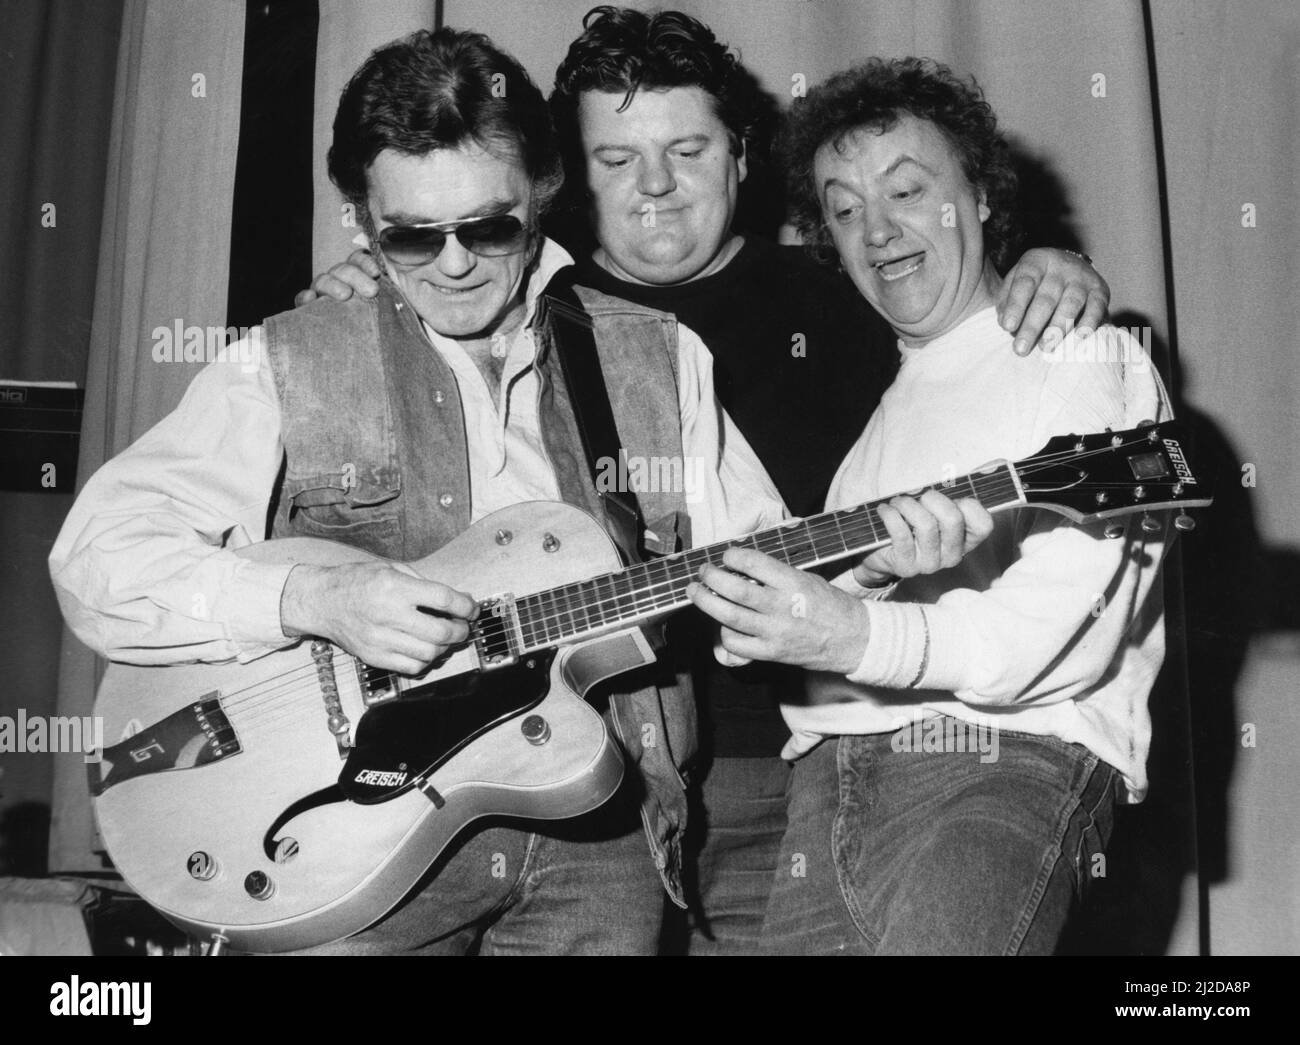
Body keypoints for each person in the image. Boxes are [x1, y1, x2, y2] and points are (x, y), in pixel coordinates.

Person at [297, 6, 1115, 955]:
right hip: (561, 779)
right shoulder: (514, 306)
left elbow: (958, 321)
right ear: (564, 179)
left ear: (739, 158)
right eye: (615, 159)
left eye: (687, 149)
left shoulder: (839, 290)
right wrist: (365, 297)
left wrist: (1056, 265)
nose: (655, 185)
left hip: (792, 777)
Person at [686, 57, 1173, 955]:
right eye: (843, 208)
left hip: (999, 767)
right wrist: (853, 588)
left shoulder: (1075, 353)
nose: (878, 229)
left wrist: (856, 634)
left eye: (908, 189)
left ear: (983, 196)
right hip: (823, 795)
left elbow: (1064, 629)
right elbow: (820, 647)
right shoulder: (874, 428)